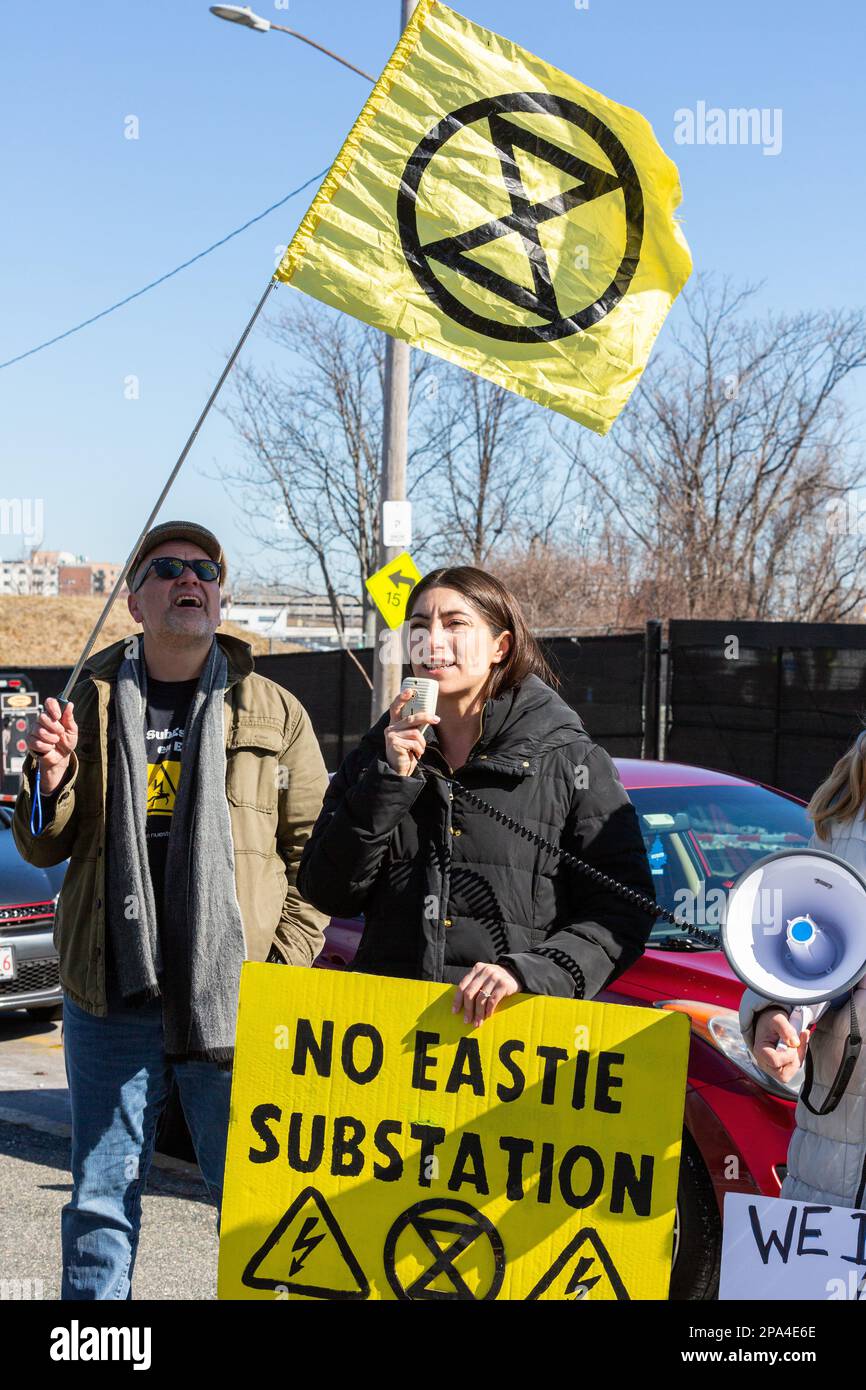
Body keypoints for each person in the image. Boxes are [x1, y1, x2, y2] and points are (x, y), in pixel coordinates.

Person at [12, 520, 331, 1299]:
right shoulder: (82, 703)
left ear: (219, 598)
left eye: (204, 569)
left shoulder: (274, 708)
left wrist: (276, 964)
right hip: (109, 993)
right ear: (134, 602)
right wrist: (50, 776)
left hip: (232, 997)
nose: (189, 578)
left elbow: (316, 858)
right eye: (167, 568)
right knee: (99, 1201)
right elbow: (43, 847)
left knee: (251, 1207)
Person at [297, 566, 656, 1024]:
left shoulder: (571, 761)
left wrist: (530, 973)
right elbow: (328, 892)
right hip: (393, 1041)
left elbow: (622, 910)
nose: (433, 641)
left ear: (500, 647)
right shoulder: (378, 756)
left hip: (512, 1042)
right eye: (420, 627)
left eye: (455, 624)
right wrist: (387, 782)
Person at [741, 729, 866, 1207]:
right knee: (816, 1282)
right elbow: (807, 933)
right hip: (833, 1142)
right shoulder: (848, 807)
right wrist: (778, 1012)